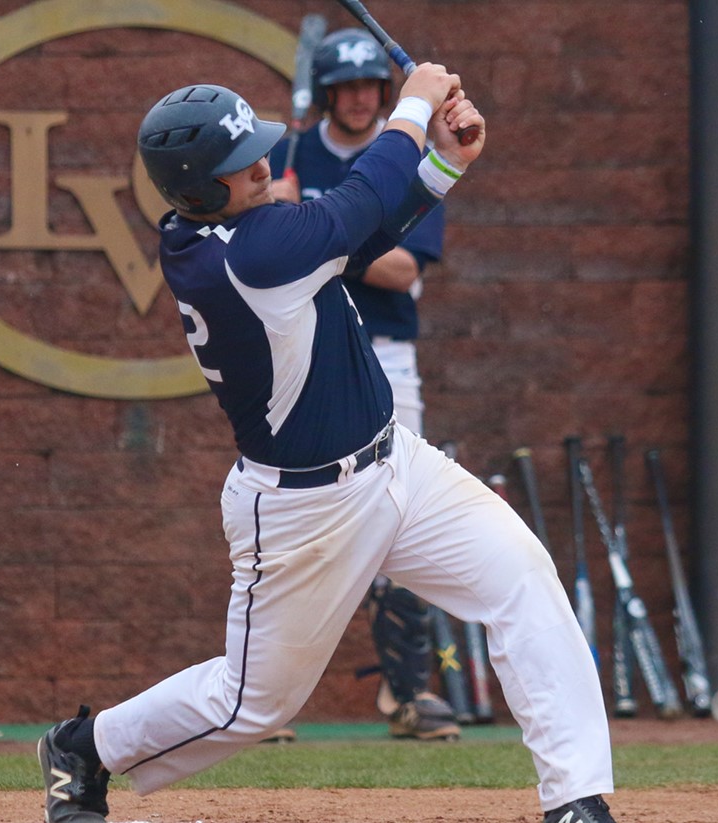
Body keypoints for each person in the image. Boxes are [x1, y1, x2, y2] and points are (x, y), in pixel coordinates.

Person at [37, 66, 618, 823]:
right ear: (196, 187)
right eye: (236, 164)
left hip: (397, 462)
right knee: (253, 703)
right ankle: (85, 748)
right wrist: (414, 101)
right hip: (303, 507)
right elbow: (359, 200)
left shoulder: (245, 233)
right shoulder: (248, 254)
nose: (261, 167)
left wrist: (441, 162)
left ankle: (575, 797)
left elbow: (362, 230)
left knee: (522, 577)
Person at [268, 27, 460, 742]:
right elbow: (255, 255)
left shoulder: (406, 152)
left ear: (384, 93)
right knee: (299, 512)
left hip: (385, 350)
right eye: (343, 87)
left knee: (399, 512)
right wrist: (278, 220)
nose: (356, 98)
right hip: (309, 352)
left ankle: (408, 692)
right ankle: (262, 698)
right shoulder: (291, 157)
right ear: (324, 92)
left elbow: (405, 270)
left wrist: (308, 232)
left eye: (367, 87)